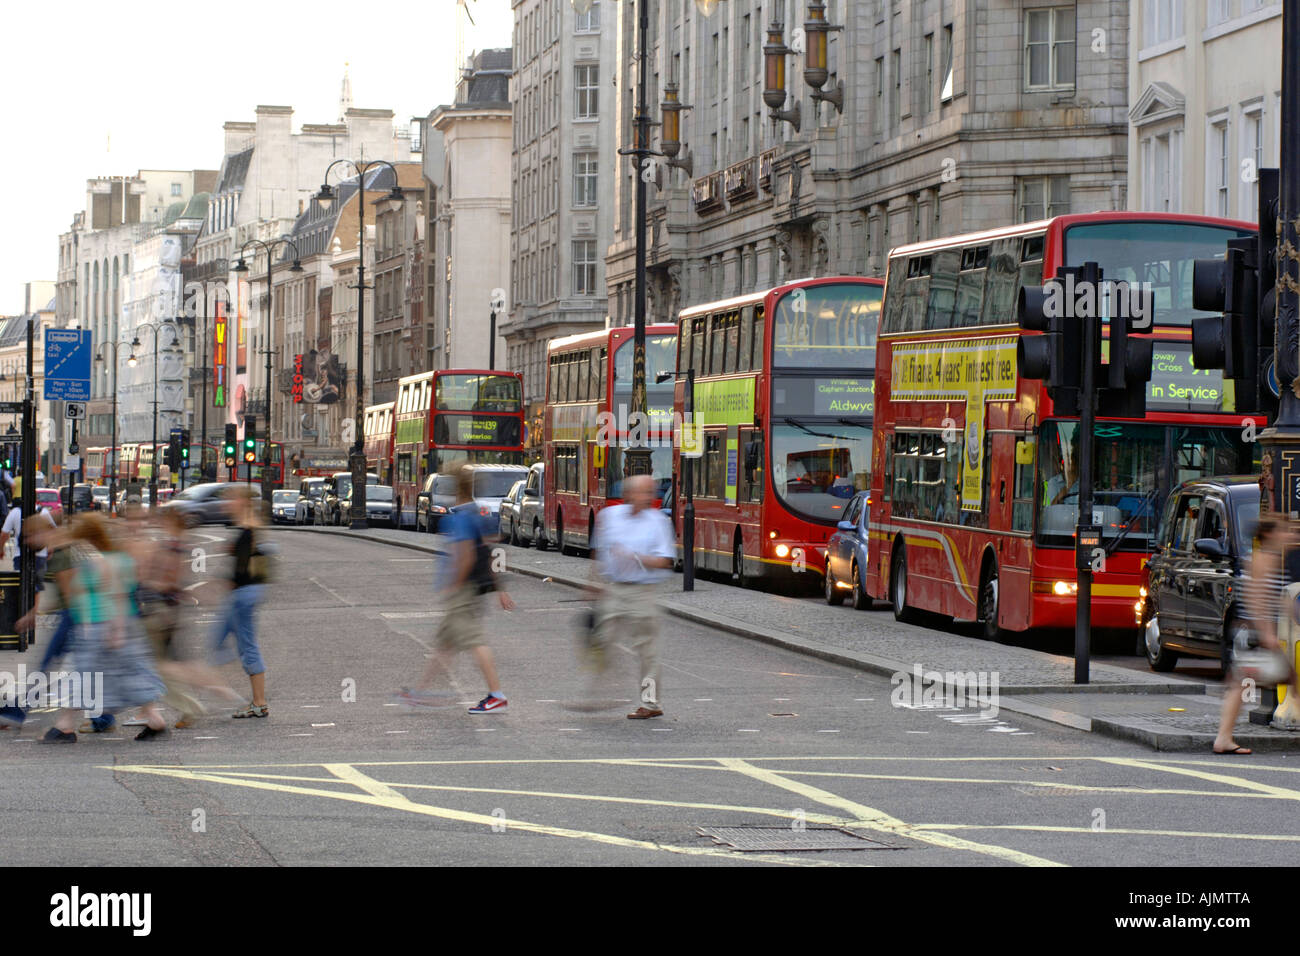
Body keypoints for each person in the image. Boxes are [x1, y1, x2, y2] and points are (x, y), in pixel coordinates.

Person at [19, 513, 168, 742]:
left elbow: (116, 595)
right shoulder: (116, 558)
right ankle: (154, 720)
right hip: (118, 625)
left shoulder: (100, 561)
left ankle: (65, 726)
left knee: (85, 675)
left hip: (101, 626)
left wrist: (111, 629)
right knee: (128, 674)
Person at [395, 462, 514, 714]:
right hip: (467, 591)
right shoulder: (475, 512)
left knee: (474, 641)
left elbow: (468, 556)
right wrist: (500, 588)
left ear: (453, 486)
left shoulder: (461, 517)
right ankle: (419, 692)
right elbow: (488, 551)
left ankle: (497, 695)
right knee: (445, 644)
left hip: (463, 592)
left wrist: (454, 585)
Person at [588, 473, 676, 719]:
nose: (649, 497)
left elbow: (665, 562)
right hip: (614, 589)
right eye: (645, 492)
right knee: (600, 641)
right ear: (629, 494)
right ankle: (597, 692)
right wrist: (593, 583)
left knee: (648, 651)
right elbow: (598, 551)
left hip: (642, 592)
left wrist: (635, 557)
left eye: (651, 492)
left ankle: (650, 704)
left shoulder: (658, 522)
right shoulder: (610, 516)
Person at [1214, 515, 1300, 755]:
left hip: (1258, 633)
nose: (1291, 535)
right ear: (1271, 534)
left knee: (1240, 686)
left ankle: (1223, 738)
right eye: (1285, 531)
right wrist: (1267, 634)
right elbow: (1257, 598)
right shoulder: (1264, 559)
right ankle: (1223, 738)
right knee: (1245, 685)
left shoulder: (1272, 558)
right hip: (1256, 634)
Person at [209, 486, 272, 718]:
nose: (226, 504)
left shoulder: (249, 527)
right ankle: (221, 688)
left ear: (241, 502)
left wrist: (226, 582)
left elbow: (245, 569)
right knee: (219, 640)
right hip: (244, 593)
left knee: (246, 646)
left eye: (231, 500)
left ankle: (258, 702)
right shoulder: (249, 526)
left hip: (243, 594)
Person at [0, 496, 56, 590]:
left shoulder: (15, 512)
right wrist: (51, 548)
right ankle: (34, 603)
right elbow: (53, 531)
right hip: (40, 555)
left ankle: (23, 602)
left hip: (20, 555)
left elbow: (4, 534)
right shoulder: (44, 512)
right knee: (36, 587)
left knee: (22, 586)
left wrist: (1, 549)